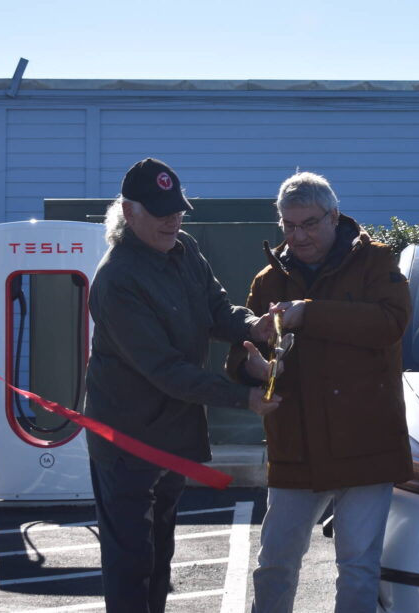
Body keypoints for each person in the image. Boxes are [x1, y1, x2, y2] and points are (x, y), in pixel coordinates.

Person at [85, 157, 280, 613]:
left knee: (159, 557)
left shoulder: (184, 247)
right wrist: (244, 397)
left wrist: (256, 327)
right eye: (160, 211)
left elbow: (217, 309)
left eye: (176, 209)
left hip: (172, 436)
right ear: (129, 212)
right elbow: (166, 370)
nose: (172, 219)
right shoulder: (117, 279)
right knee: (131, 563)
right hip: (127, 445)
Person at [226, 171, 413, 613]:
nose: (298, 236)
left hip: (366, 443)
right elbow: (239, 354)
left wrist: (308, 314)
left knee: (358, 567)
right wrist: (252, 369)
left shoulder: (377, 262)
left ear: (334, 216)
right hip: (296, 444)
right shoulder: (268, 280)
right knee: (275, 564)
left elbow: (390, 325)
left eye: (309, 223)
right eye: (289, 225)